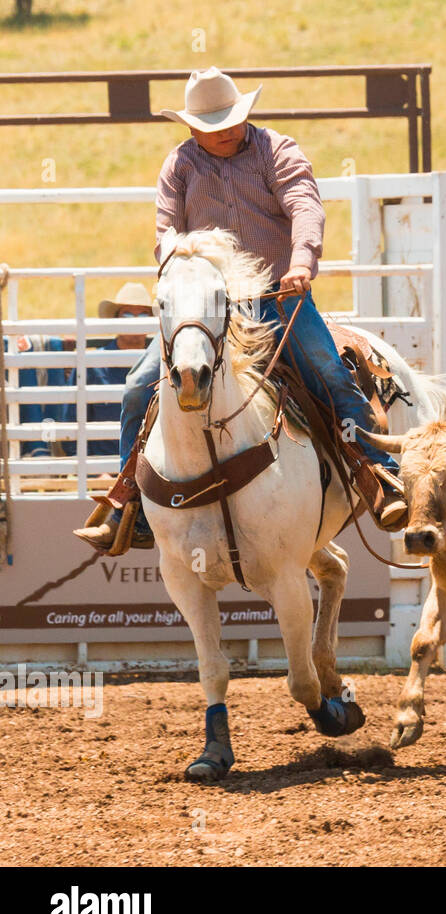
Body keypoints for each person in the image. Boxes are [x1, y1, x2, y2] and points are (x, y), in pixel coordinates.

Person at [75, 67, 407, 552]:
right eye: (212, 126)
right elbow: (165, 230)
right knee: (135, 390)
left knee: (327, 372)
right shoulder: (180, 166)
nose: (226, 131)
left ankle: (378, 475)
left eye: (230, 120)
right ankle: (130, 502)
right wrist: (173, 264)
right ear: (192, 128)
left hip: (278, 295)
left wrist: (301, 263)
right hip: (208, 307)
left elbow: (305, 206)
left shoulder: (277, 149)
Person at [86, 282, 153, 460]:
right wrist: (94, 471)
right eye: (128, 314)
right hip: (102, 466)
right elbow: (72, 419)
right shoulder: (93, 364)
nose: (135, 321)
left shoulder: (161, 363)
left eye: (143, 314)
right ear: (116, 319)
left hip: (149, 467)